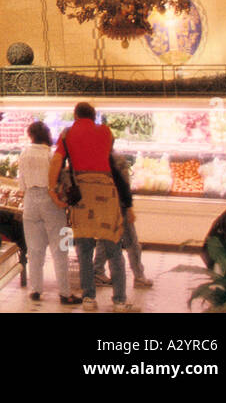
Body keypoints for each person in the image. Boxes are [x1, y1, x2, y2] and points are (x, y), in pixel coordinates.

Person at [50, 102, 138, 312]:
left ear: (75, 116)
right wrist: (128, 204)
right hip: (107, 195)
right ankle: (119, 300)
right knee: (114, 251)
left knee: (84, 251)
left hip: (82, 197)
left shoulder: (67, 134)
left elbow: (56, 162)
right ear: (94, 116)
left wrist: (53, 191)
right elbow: (113, 168)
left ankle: (89, 298)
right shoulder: (106, 132)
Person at [18, 120, 79, 305]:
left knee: (34, 250)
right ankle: (65, 293)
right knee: (61, 247)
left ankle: (36, 290)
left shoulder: (24, 153)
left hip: (29, 200)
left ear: (31, 135)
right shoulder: (51, 155)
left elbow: (21, 183)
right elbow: (58, 181)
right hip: (51, 200)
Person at [93, 152, 151, 289]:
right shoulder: (116, 161)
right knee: (131, 242)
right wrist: (128, 207)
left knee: (104, 238)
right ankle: (139, 276)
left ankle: (97, 271)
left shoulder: (97, 159)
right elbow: (124, 187)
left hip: (104, 205)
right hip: (120, 206)